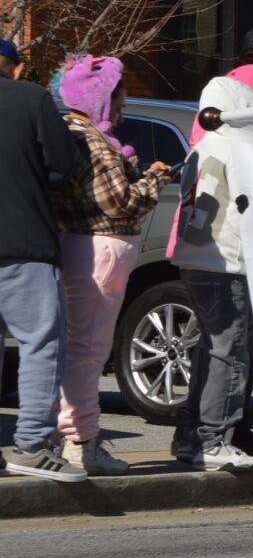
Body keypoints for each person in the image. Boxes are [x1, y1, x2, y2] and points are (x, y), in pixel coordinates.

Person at [51, 55, 175, 476]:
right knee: (88, 351)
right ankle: (80, 443)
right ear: (101, 98)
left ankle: (65, 436)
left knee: (76, 349)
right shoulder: (90, 139)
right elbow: (117, 202)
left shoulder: (72, 132)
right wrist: (154, 180)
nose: (122, 107)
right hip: (101, 247)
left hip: (81, 246)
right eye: (118, 99)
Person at [169, 72, 253, 471]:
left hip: (193, 258)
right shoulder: (238, 149)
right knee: (231, 352)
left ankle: (190, 435)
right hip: (226, 260)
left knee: (210, 349)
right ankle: (215, 439)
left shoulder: (200, 146)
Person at [0, 55, 88, 481]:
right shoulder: (31, 97)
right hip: (22, 241)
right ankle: (31, 445)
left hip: (20, 241)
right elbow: (63, 163)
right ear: (14, 68)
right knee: (41, 342)